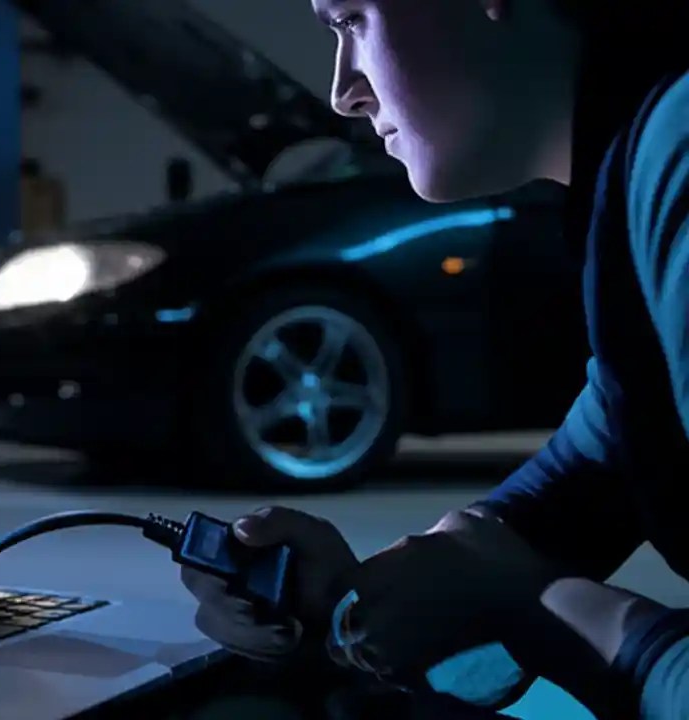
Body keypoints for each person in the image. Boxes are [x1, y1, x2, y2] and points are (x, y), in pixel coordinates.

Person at [181, 1, 689, 718]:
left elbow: (515, 573)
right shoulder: (630, 172)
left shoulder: (680, 146)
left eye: (353, 20)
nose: (343, 90)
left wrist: (539, 611)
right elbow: (577, 486)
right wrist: (358, 602)